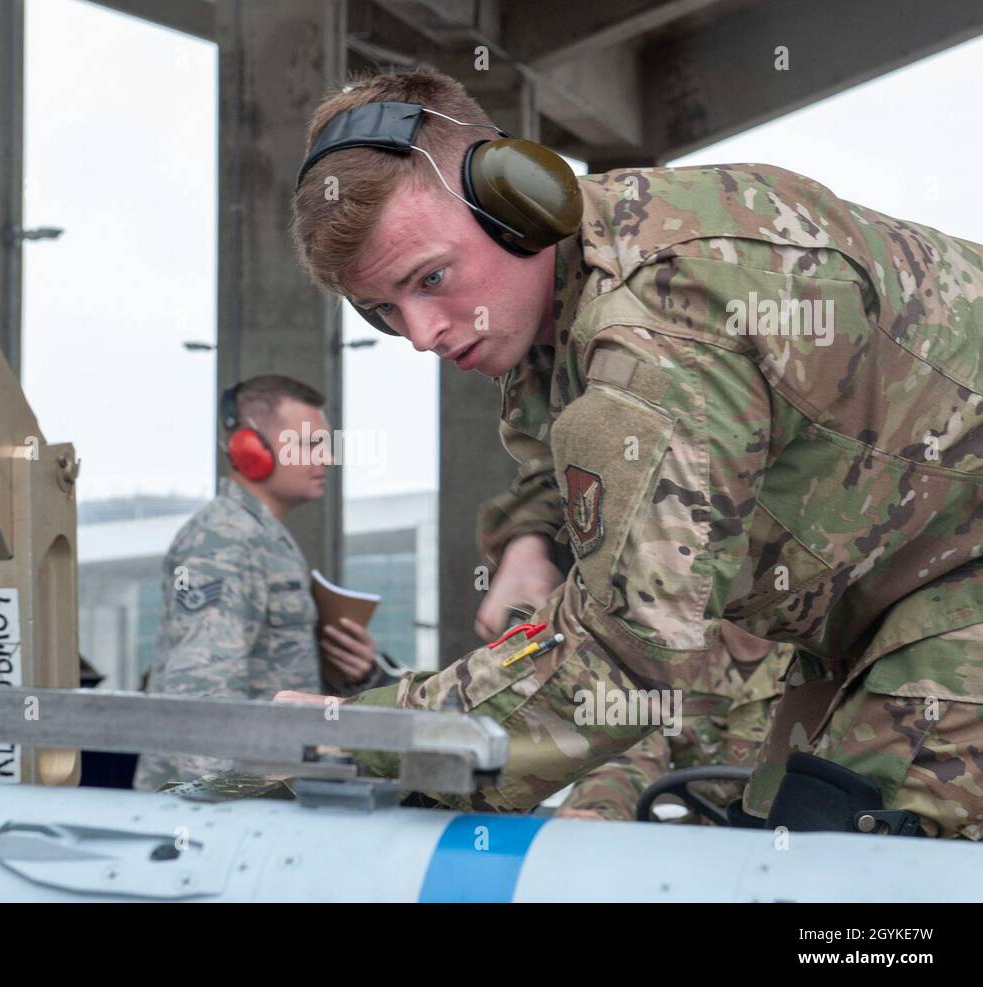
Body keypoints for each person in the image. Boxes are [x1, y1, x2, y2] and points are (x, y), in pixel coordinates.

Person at [280, 70, 983, 838]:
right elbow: (578, 463)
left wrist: (367, 735)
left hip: (950, 578)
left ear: (516, 199)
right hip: (906, 582)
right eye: (385, 310)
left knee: (871, 866)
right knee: (791, 838)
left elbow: (630, 661)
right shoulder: (563, 288)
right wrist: (532, 543)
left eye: (432, 279)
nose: (422, 333)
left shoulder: (667, 322)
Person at [134, 374, 392, 791]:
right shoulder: (222, 539)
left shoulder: (263, 537)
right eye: (310, 444)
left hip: (258, 800)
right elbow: (202, 698)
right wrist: (218, 820)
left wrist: (355, 673)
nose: (326, 458)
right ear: (250, 450)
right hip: (217, 813)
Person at [556, 623, 790, 823]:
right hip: (692, 847)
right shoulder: (668, 655)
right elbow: (628, 757)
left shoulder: (819, 662)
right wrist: (600, 813)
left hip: (795, 848)